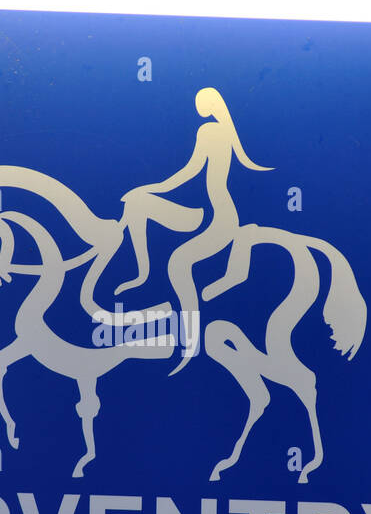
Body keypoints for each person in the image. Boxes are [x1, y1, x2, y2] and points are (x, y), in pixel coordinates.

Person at [114, 87, 272, 373]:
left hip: (215, 215)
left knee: (178, 262)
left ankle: (189, 338)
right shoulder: (221, 131)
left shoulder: (211, 132)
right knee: (138, 204)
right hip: (209, 209)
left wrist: (151, 188)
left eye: (200, 102)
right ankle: (143, 275)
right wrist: (147, 192)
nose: (197, 106)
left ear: (208, 104)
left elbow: (189, 172)